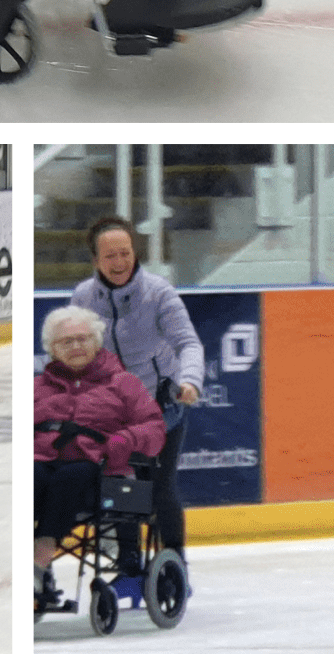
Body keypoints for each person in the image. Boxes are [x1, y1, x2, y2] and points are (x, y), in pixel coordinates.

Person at [71, 218, 203, 570]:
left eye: (125, 253)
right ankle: (128, 561)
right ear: (96, 260)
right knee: (120, 485)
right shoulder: (84, 297)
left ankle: (175, 563)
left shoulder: (158, 293)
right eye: (110, 255)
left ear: (135, 253)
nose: (119, 262)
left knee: (159, 488)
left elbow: (187, 342)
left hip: (161, 406)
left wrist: (189, 381)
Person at [34, 305, 168, 608]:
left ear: (97, 342)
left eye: (83, 339)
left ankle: (40, 555)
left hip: (100, 472)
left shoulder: (123, 383)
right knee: (32, 475)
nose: (76, 346)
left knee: (73, 474)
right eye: (66, 342)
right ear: (52, 350)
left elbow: (155, 428)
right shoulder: (36, 388)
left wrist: (127, 438)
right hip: (43, 464)